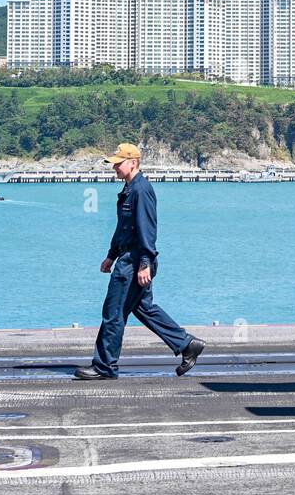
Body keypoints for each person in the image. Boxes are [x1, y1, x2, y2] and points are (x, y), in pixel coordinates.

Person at [74, 143, 205, 380]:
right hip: (128, 258)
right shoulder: (129, 188)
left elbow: (147, 229)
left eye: (118, 162)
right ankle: (187, 345)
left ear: (133, 162)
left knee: (113, 312)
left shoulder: (141, 190)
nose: (114, 166)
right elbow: (124, 228)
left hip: (134, 262)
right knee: (144, 309)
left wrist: (145, 262)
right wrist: (111, 255)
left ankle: (104, 366)